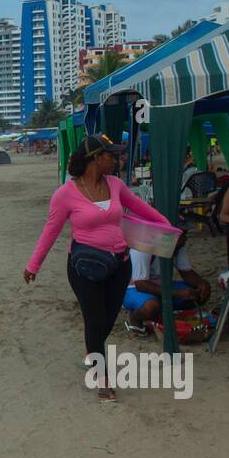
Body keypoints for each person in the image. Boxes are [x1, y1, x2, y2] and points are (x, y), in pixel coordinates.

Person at [22, 134, 173, 402]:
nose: (116, 160)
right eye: (110, 155)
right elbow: (51, 231)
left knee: (105, 320)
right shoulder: (65, 194)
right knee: (94, 319)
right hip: (84, 269)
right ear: (95, 159)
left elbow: (142, 209)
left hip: (119, 265)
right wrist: (34, 265)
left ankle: (92, 351)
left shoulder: (115, 185)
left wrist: (169, 229)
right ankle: (103, 378)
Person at [124, 229, 211, 330]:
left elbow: (186, 272)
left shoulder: (177, 246)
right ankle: (134, 316)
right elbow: (140, 284)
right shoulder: (144, 246)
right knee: (151, 307)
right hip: (133, 289)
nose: (186, 238)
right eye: (183, 234)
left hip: (161, 287)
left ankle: (161, 312)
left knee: (198, 295)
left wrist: (202, 284)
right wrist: (177, 293)